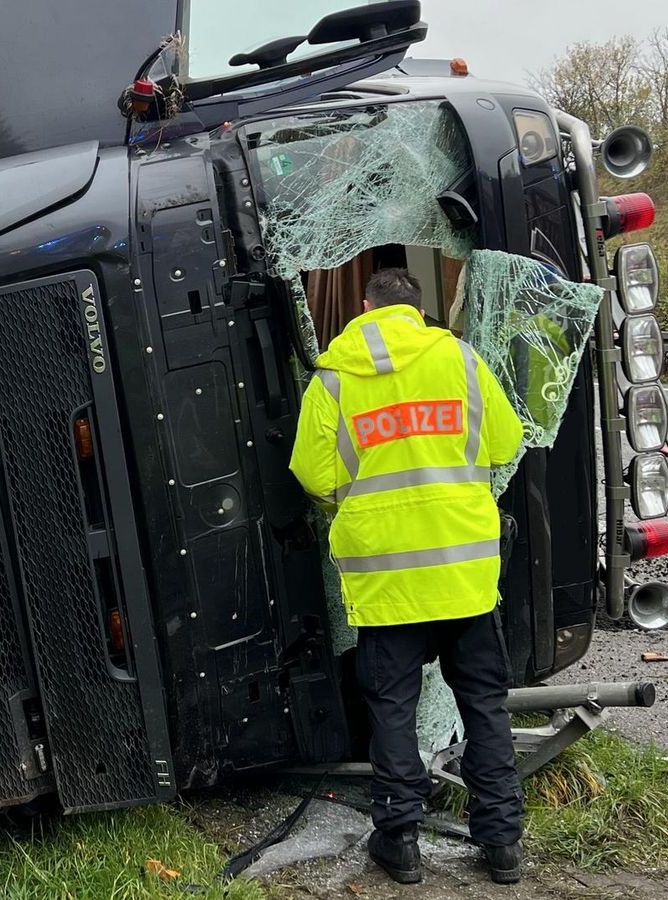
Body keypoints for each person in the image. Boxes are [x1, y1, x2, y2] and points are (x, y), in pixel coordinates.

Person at [289, 267, 527, 885]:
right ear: (417, 311)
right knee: (483, 702)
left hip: (386, 577)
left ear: (364, 307)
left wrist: (358, 505)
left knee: (392, 707)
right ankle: (501, 845)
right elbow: (504, 444)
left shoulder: (336, 377)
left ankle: (400, 844)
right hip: (465, 574)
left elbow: (313, 475)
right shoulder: (464, 361)